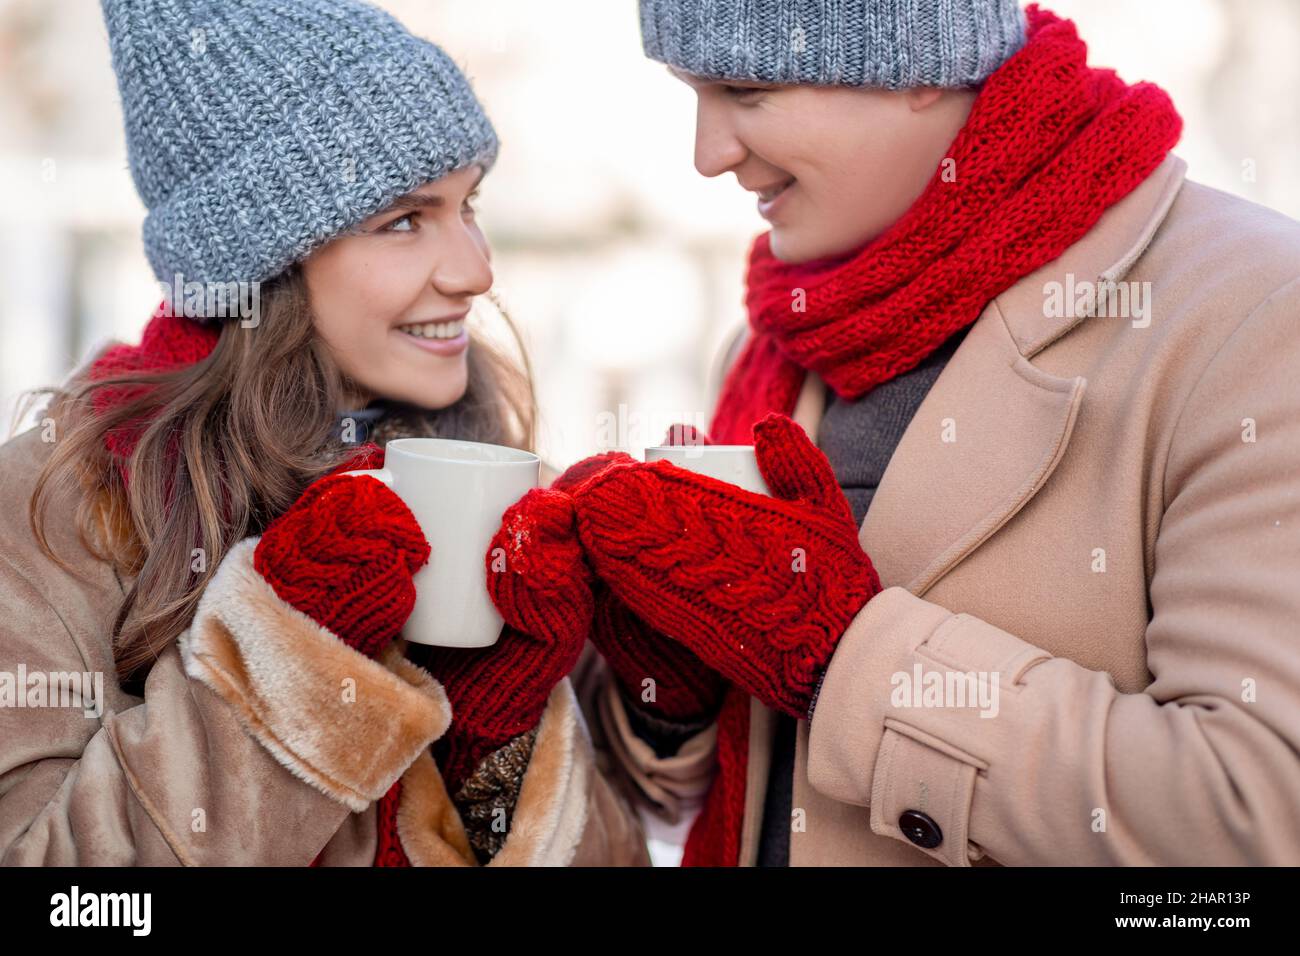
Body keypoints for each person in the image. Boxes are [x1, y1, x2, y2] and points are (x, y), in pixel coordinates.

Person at [511, 1, 1300, 865]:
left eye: (744, 90)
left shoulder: (1251, 312)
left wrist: (842, 653)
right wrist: (672, 687)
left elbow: (1251, 814)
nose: (708, 155)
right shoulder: (778, 340)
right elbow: (733, 804)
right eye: (691, 93)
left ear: (916, 66)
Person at [0, 0, 647, 867]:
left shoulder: (498, 475)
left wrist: (499, 746)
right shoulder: (62, 508)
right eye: (405, 220)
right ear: (262, 264)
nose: (476, 269)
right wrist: (287, 661)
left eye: (468, 205)